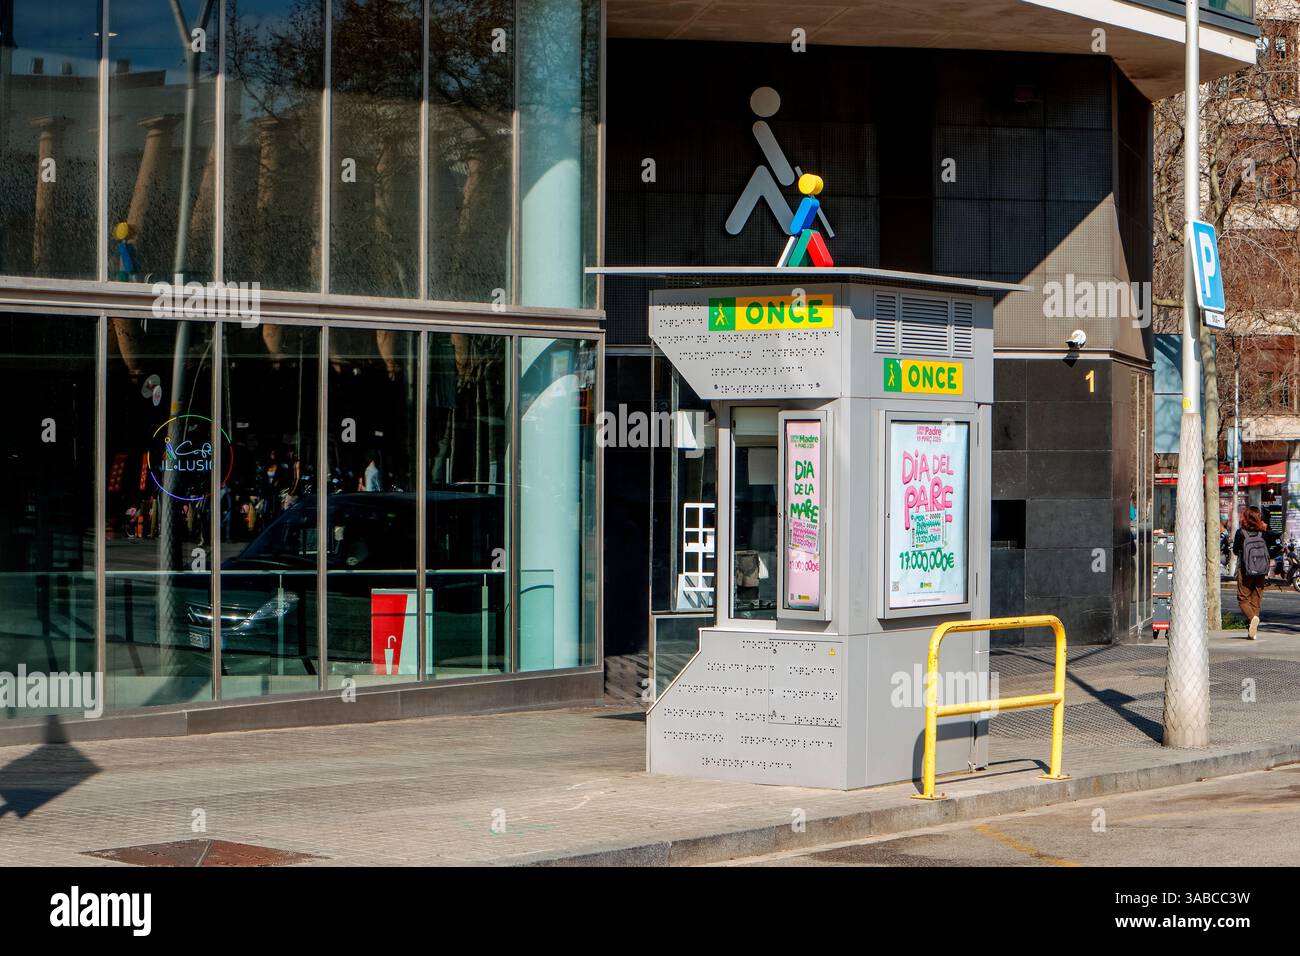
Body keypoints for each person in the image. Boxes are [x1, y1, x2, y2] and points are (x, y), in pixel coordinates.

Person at [1233, 507, 1276, 639]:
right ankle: (1252, 632)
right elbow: (1272, 547)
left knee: (1243, 599)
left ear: (1245, 517)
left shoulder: (1240, 533)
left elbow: (1235, 551)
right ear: (1259, 517)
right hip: (1261, 571)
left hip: (1245, 570)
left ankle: (1252, 619)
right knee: (1256, 600)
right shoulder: (1263, 533)